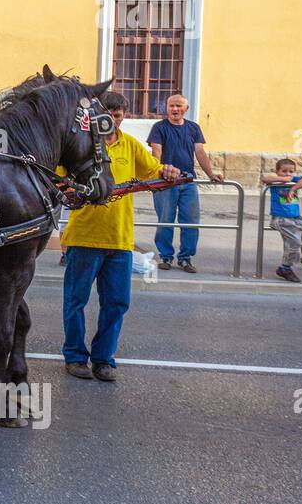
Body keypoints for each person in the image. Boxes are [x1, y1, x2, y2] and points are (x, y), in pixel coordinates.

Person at [60, 91, 181, 382]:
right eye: (110, 114)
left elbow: (156, 172)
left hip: (120, 239)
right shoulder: (82, 145)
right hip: (84, 237)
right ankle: (75, 356)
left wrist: (168, 170)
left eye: (119, 114)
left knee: (116, 303)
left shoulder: (131, 145)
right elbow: (59, 179)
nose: (115, 119)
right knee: (75, 301)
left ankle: (103, 359)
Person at [148, 94, 223, 273]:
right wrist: (156, 174)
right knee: (165, 220)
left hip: (188, 181)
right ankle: (165, 256)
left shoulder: (193, 128)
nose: (175, 109)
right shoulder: (159, 128)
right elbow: (156, 152)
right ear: (167, 107)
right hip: (165, 183)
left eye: (179, 106)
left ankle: (185, 258)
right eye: (172, 105)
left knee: (190, 222)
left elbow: (200, 152)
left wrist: (211, 174)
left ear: (186, 109)